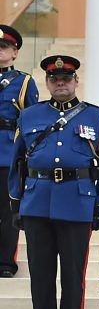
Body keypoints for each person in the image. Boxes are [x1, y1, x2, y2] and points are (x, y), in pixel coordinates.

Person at [10, 54, 99, 309]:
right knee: (41, 278)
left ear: (76, 81)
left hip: (77, 205)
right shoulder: (29, 116)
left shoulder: (97, 117)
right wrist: (17, 203)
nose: (60, 83)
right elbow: (18, 164)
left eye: (66, 78)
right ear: (47, 82)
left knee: (72, 278)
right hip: (37, 204)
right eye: (55, 79)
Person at [0, 25, 38, 278]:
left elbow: (32, 121)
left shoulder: (23, 82)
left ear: (15, 52)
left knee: (7, 210)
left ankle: (5, 261)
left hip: (7, 152)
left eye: (4, 47)